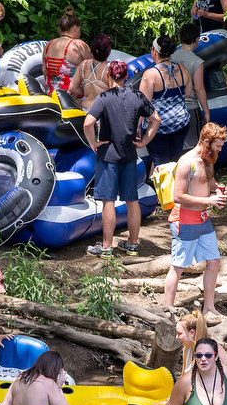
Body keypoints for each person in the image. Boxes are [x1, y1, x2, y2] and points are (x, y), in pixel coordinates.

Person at [84, 60, 161, 258]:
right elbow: (156, 119)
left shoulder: (104, 98)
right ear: (126, 77)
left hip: (107, 157)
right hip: (129, 155)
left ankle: (107, 247)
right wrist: (144, 141)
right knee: (132, 200)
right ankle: (133, 244)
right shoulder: (138, 96)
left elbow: (88, 123)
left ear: (109, 76)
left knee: (108, 201)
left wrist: (93, 143)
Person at [164, 123, 227, 313]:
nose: (220, 149)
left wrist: (218, 189)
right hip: (184, 221)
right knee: (178, 267)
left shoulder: (208, 158)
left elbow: (208, 181)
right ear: (206, 142)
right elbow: (178, 197)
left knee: (214, 261)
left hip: (203, 220)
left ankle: (209, 308)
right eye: (218, 145)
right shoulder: (186, 162)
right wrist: (209, 200)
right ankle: (168, 311)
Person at [139, 34, 193, 167]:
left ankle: (164, 187)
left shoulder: (150, 75)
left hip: (159, 128)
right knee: (174, 162)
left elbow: (142, 105)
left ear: (155, 52)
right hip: (181, 123)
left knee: (160, 165)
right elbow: (188, 93)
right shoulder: (182, 69)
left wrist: (136, 127)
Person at [42, 7, 92, 97]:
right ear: (75, 28)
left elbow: (44, 71)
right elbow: (94, 68)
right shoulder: (78, 44)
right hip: (73, 100)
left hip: (52, 97)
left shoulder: (48, 45)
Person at [173, 23, 211, 130]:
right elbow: (199, 88)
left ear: (180, 38)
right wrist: (206, 111)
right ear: (197, 39)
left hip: (171, 108)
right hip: (190, 108)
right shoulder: (197, 61)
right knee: (193, 145)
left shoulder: (170, 58)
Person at [175, 309, 227, 374]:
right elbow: (183, 378)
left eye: (180, 333)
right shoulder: (187, 349)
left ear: (192, 333)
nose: (177, 337)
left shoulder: (215, 349)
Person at [68, 32, 113, 110]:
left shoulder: (83, 65)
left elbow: (72, 87)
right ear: (108, 52)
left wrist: (87, 92)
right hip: (102, 112)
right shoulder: (110, 68)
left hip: (86, 110)